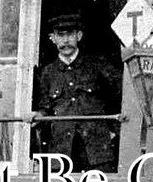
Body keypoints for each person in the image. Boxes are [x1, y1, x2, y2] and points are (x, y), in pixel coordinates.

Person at [34, 13, 121, 173]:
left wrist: (113, 131)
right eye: (60, 35)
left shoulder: (98, 66)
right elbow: (45, 108)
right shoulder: (47, 73)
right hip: (61, 153)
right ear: (53, 38)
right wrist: (38, 115)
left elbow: (121, 97)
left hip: (96, 153)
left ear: (79, 36)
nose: (65, 40)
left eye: (70, 35)